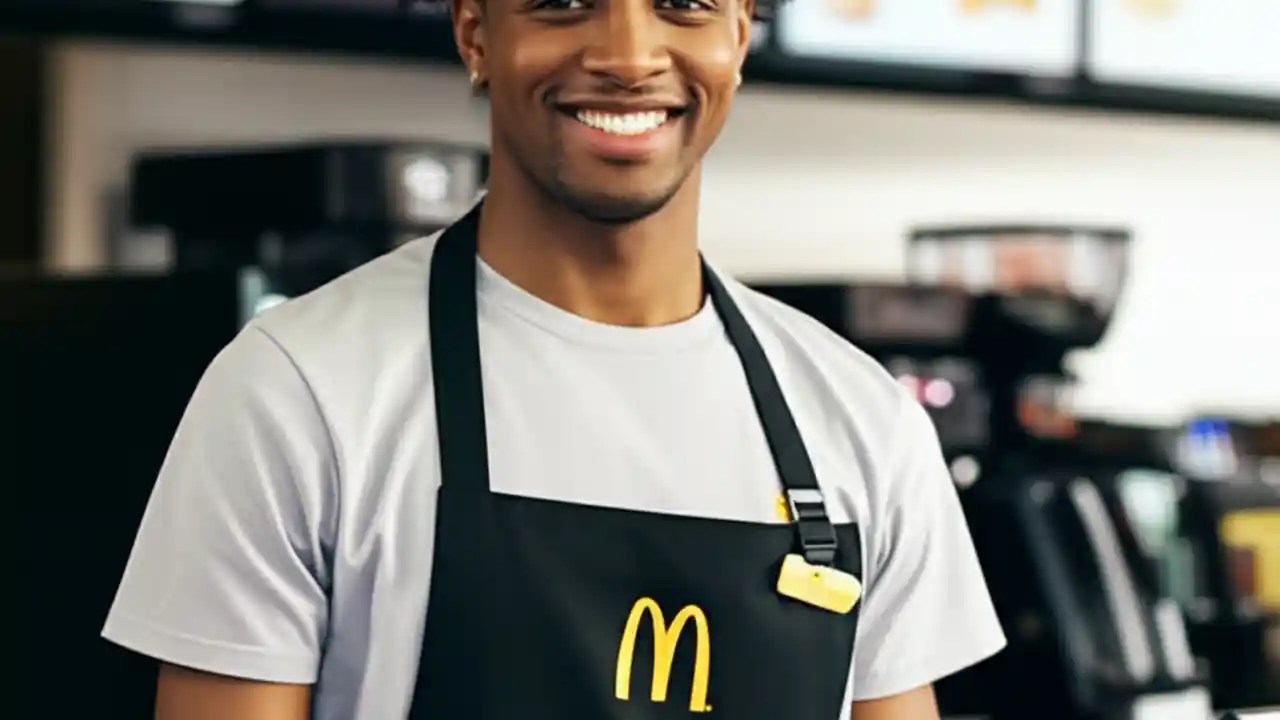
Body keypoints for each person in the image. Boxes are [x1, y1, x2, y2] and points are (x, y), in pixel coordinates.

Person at [102, 0, 1007, 717]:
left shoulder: (864, 423)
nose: (626, 52)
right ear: (475, 31)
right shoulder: (296, 393)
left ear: (739, 33)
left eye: (684, 3)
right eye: (563, 1)